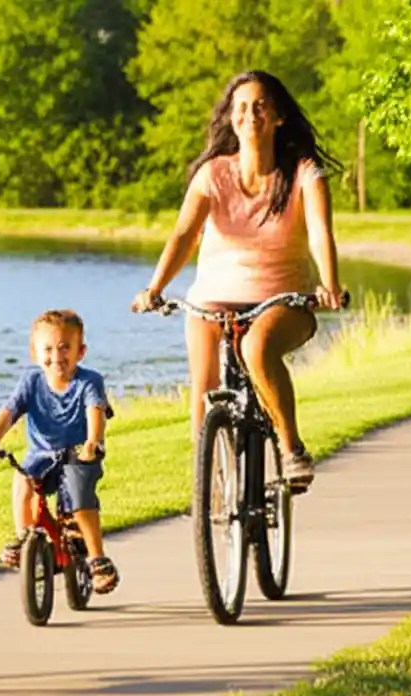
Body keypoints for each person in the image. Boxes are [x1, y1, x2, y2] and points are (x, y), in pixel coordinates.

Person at [130, 70, 344, 494]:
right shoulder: (213, 174)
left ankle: (290, 448)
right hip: (212, 301)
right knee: (204, 385)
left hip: (281, 301)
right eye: (241, 107)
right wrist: (154, 289)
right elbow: (184, 235)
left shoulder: (303, 174)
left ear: (279, 116)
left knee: (256, 348)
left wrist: (329, 284)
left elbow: (320, 232)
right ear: (230, 117)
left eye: (260, 106)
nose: (250, 115)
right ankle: (208, 486)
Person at [0, 309, 119, 594]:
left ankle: (96, 558)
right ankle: (24, 538)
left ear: (80, 352)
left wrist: (93, 441)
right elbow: (10, 411)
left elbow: (96, 411)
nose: (56, 356)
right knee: (22, 480)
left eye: (65, 348)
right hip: (41, 456)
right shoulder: (31, 381)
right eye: (48, 349)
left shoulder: (89, 381)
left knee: (80, 501)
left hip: (79, 454)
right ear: (34, 353)